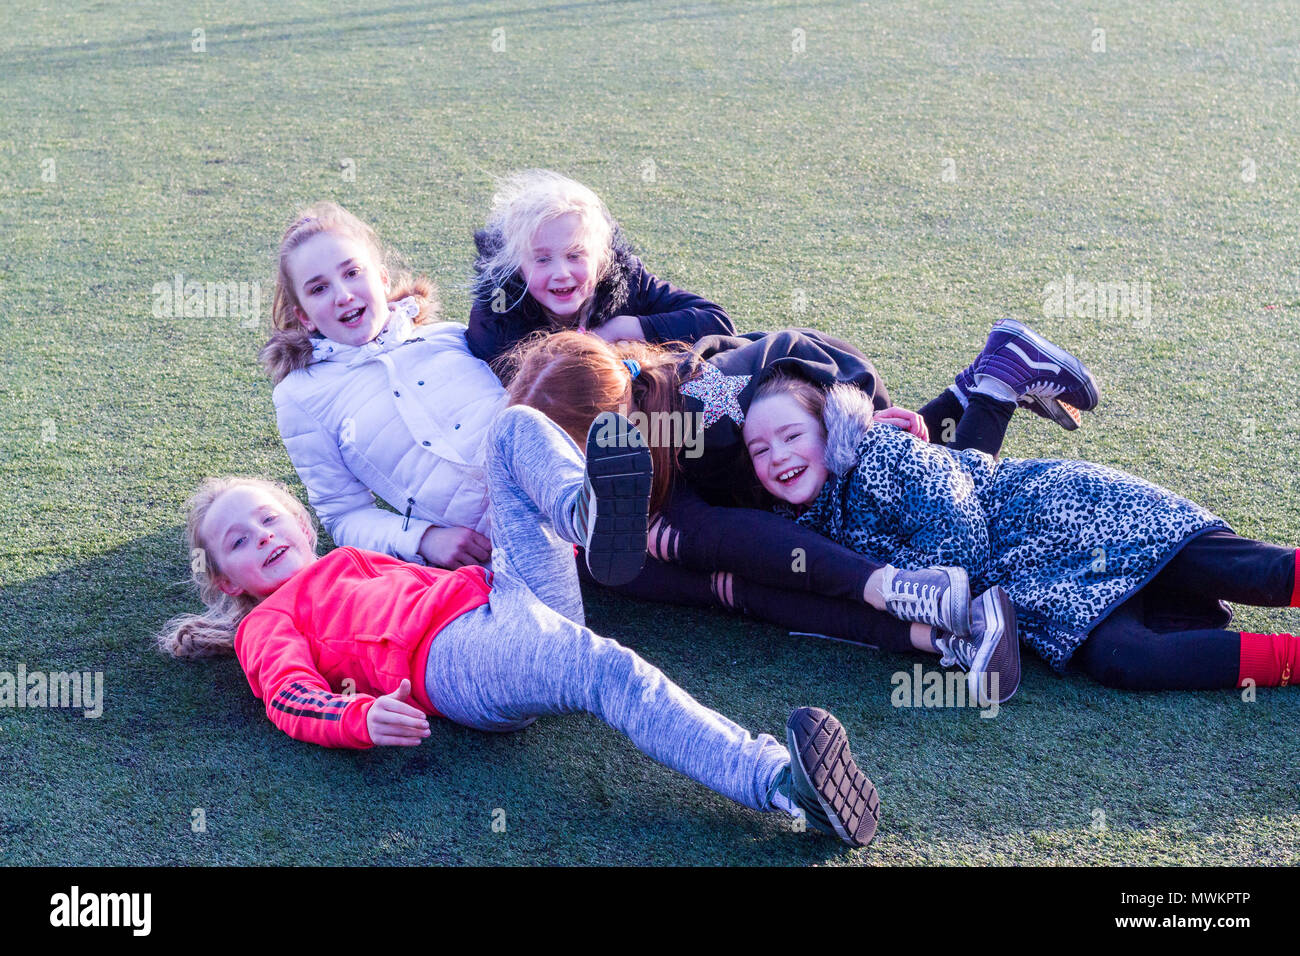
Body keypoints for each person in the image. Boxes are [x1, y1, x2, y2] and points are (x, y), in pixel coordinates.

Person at [156, 409, 883, 847]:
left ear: (298, 522)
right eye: (239, 543)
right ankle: (782, 784)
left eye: (267, 518)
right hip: (457, 659)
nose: (262, 537)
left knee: (511, 431)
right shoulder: (267, 622)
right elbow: (290, 697)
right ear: (227, 580)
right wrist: (356, 714)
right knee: (609, 671)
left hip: (505, 600)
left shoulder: (350, 557)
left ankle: (587, 517)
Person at [504, 323, 1094, 693]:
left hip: (825, 409)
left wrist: (848, 408)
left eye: (570, 451)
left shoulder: (702, 420)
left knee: (942, 507)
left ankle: (997, 380)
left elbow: (785, 351)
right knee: (710, 559)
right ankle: (970, 391)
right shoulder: (646, 432)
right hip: (794, 466)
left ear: (615, 427)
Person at [741, 371, 1300, 692]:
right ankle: (1291, 661)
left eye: (792, 436)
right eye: (759, 449)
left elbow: (960, 529)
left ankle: (1001, 375)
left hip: (1065, 513)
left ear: (826, 429)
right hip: (1046, 590)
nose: (779, 457)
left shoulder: (877, 452)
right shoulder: (802, 531)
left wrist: (917, 593)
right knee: (1124, 661)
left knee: (1253, 572)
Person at [260, 201, 504, 570]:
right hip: (496, 544)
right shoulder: (301, 397)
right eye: (319, 289)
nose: (343, 294)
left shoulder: (451, 337)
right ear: (304, 317)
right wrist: (424, 538)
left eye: (353, 272)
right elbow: (344, 514)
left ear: (383, 279)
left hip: (553, 479)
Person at [466, 169, 735, 368]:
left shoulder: (629, 282)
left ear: (602, 258)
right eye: (542, 259)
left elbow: (718, 323)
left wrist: (623, 329)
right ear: (517, 267)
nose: (561, 272)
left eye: (575, 255)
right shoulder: (496, 313)